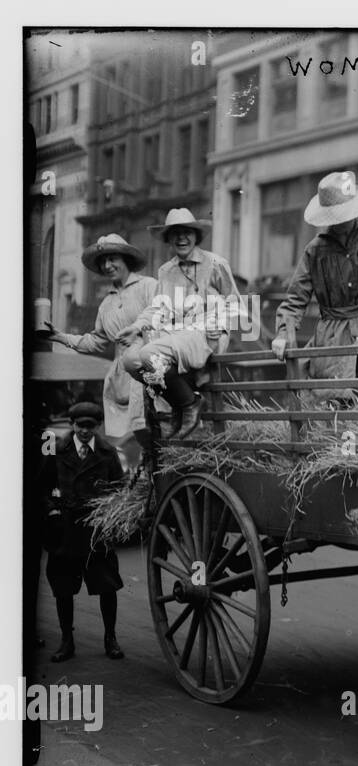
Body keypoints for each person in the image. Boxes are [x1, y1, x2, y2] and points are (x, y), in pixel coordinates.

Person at [271, 171, 358, 391]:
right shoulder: (315, 250)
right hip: (331, 336)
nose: (340, 220)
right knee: (332, 398)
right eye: (334, 214)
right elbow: (295, 298)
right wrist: (283, 334)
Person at [120, 208, 241, 439]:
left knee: (149, 355)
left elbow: (233, 300)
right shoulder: (166, 271)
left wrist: (222, 326)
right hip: (176, 336)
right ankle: (181, 403)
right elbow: (157, 307)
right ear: (168, 238)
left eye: (187, 232)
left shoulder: (215, 263)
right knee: (131, 361)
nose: (181, 238)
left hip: (206, 333)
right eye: (175, 233)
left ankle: (190, 404)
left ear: (196, 235)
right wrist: (136, 327)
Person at [47, 235, 159, 463]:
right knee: (126, 450)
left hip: (150, 373)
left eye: (112, 258)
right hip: (120, 383)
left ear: (125, 258)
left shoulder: (149, 286)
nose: (108, 266)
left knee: (151, 438)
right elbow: (96, 341)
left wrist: (140, 333)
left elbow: (163, 317)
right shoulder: (106, 304)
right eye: (103, 261)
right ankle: (134, 491)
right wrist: (60, 337)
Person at [39, 401, 126, 662]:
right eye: (80, 426)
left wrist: (109, 513)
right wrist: (52, 510)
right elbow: (41, 486)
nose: (85, 432)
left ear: (98, 426)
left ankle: (110, 638)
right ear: (71, 425)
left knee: (106, 586)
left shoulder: (108, 453)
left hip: (95, 532)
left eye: (90, 426)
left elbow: (118, 489)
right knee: (63, 588)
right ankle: (67, 641)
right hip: (64, 529)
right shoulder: (55, 450)